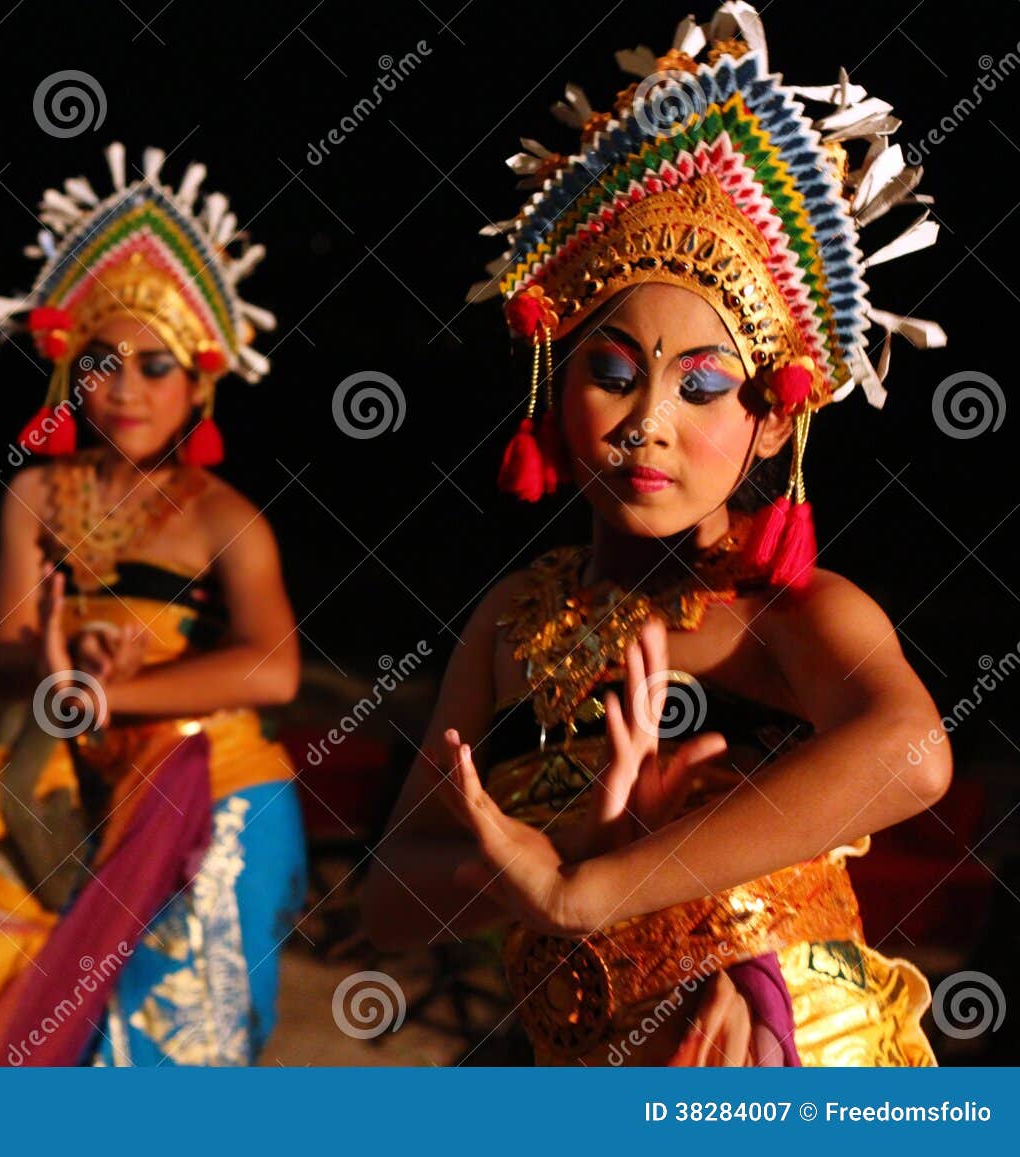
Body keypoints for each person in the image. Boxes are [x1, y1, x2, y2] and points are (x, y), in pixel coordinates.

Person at [363, 1, 951, 1066]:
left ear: (774, 416)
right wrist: (557, 851)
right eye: (615, 372)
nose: (646, 425)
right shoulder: (508, 619)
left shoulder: (787, 612)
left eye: (704, 386)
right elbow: (392, 901)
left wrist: (594, 886)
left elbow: (911, 755)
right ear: (554, 378)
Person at [0, 143, 306, 1067]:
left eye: (157, 365)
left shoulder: (222, 516)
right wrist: (62, 662)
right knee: (66, 1049)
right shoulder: (37, 495)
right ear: (72, 368)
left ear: (200, 381)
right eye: (105, 361)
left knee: (159, 1066)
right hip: (99, 806)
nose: (128, 387)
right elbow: (7, 655)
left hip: (219, 801)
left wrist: (115, 692)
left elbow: (274, 666)